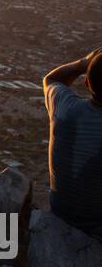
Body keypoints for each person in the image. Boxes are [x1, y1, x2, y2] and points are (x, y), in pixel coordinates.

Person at [43, 47, 102, 237]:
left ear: (86, 82)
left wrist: (83, 63)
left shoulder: (65, 109)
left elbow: (51, 79)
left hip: (61, 214)